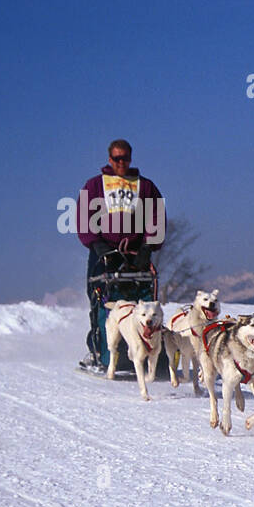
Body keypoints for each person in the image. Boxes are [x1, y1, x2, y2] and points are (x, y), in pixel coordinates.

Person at [75, 139, 166, 369]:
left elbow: (156, 215)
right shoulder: (95, 185)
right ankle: (100, 349)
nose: (121, 162)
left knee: (143, 305)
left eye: (125, 158)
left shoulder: (144, 186)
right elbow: (84, 216)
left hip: (136, 254)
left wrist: (148, 245)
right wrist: (96, 244)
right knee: (101, 301)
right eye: (117, 158)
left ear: (131, 158)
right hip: (104, 253)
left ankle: (148, 351)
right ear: (109, 159)